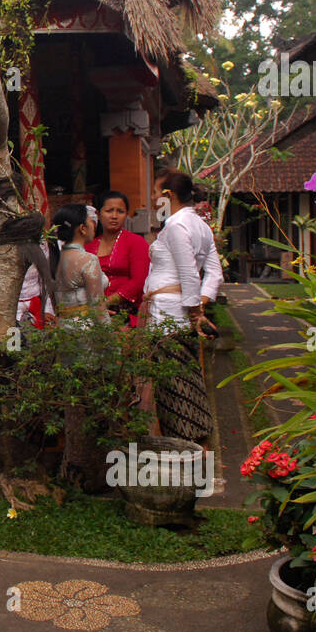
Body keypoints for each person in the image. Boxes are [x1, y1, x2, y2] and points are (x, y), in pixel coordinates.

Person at [143, 168, 224, 442]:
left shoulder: (177, 225)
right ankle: (193, 444)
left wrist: (194, 310)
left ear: (168, 195)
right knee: (184, 382)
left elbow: (190, 272)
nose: (153, 199)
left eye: (155, 192)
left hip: (169, 314)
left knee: (174, 386)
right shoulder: (200, 225)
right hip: (177, 311)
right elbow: (214, 275)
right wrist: (198, 304)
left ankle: (184, 447)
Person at [85, 190, 150, 327]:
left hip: (126, 310)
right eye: (109, 211)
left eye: (120, 211)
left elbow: (138, 281)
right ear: (98, 214)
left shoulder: (136, 242)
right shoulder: (89, 245)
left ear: (126, 214)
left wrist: (106, 303)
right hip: (92, 310)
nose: (114, 216)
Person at [51, 204, 108, 326]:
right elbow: (97, 306)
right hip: (85, 328)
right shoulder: (87, 260)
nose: (94, 224)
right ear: (83, 228)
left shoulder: (54, 258)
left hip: (63, 327)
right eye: (91, 221)